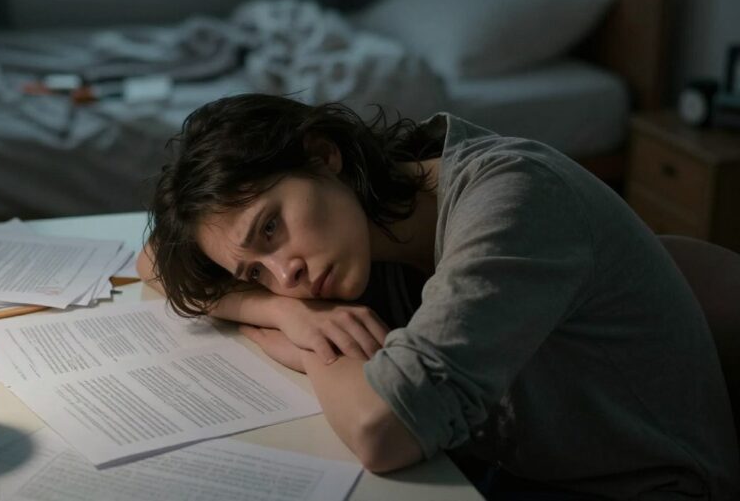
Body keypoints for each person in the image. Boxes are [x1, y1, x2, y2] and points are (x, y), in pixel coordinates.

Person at [136, 93, 740, 500]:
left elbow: (383, 431)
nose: (283, 272)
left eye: (271, 228)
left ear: (325, 156)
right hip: (506, 471)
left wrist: (307, 347)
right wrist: (279, 310)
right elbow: (154, 262)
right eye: (255, 271)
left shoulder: (513, 199)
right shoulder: (364, 220)